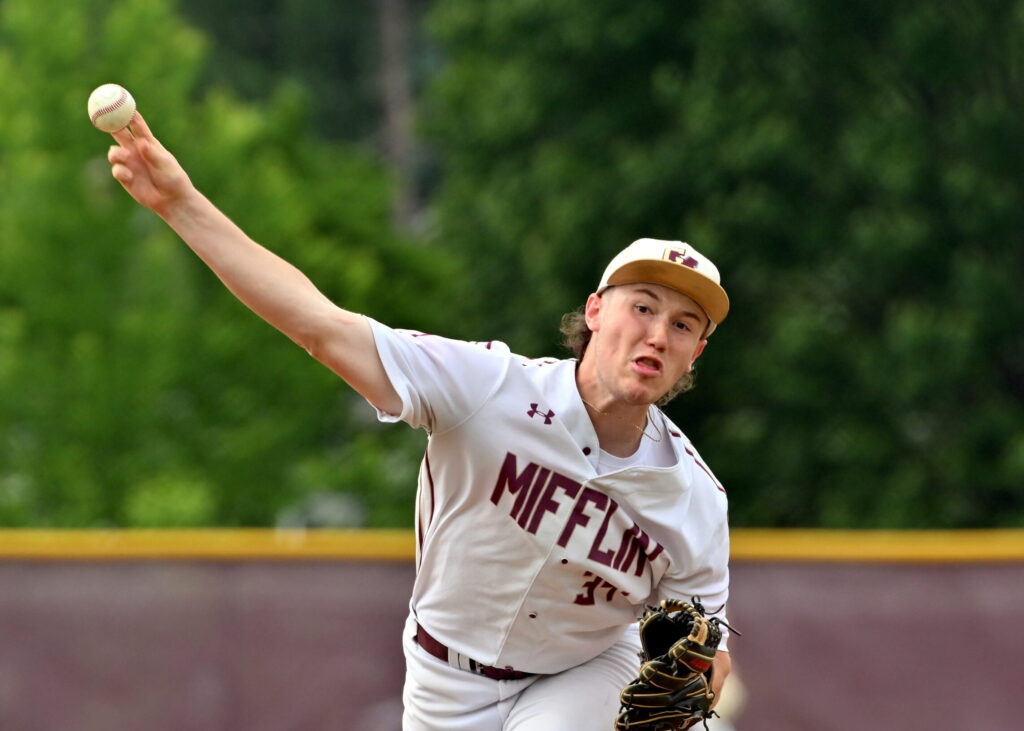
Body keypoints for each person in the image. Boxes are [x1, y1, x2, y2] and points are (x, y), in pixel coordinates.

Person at [105, 114, 734, 730]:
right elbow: (322, 328)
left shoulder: (694, 501)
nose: (656, 334)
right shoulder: (488, 387)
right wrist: (180, 205)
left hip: (583, 674)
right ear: (595, 311)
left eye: (683, 325)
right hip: (444, 678)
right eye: (642, 307)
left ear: (696, 351)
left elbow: (709, 658)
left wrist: (699, 674)